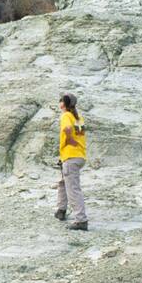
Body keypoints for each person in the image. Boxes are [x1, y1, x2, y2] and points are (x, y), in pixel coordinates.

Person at [54, 94, 88, 231]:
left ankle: (81, 220)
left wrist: (69, 140)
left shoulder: (66, 116)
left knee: (73, 189)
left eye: (60, 101)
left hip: (71, 157)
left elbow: (67, 129)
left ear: (63, 104)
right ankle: (61, 210)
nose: (59, 103)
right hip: (79, 156)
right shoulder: (78, 118)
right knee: (63, 183)